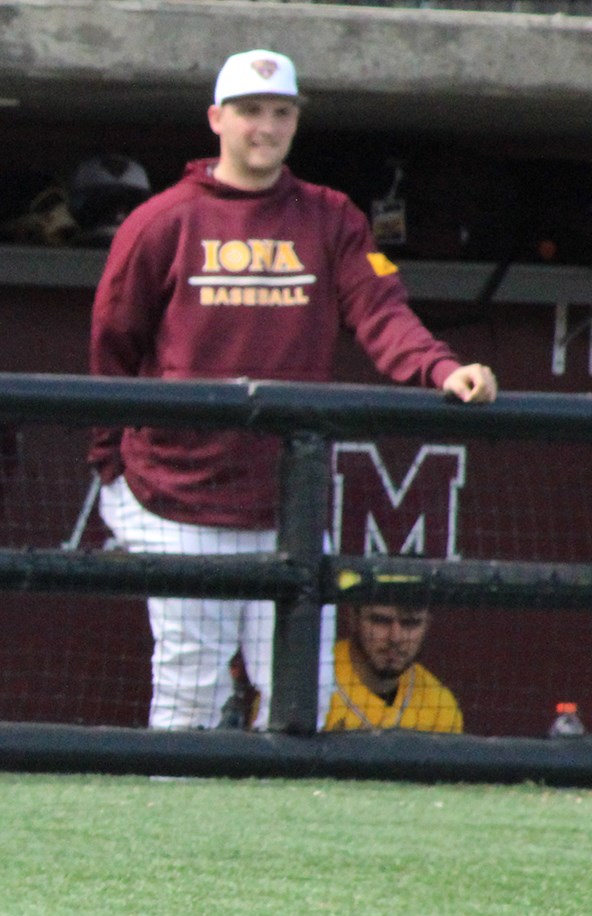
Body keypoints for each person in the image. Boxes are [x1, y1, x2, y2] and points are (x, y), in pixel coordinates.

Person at [89, 48, 498, 730]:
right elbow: (111, 346)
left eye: (281, 112)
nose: (266, 127)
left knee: (299, 694)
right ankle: (168, 835)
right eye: (250, 111)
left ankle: (274, 836)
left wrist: (439, 368)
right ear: (217, 118)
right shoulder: (161, 221)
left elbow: (382, 310)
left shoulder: (332, 218)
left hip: (288, 496)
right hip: (179, 496)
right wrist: (109, 466)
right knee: (189, 692)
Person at [324, 603, 463, 733]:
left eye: (410, 623)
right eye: (380, 621)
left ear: (427, 625)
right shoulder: (314, 680)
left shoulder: (439, 704)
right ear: (353, 618)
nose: (395, 638)